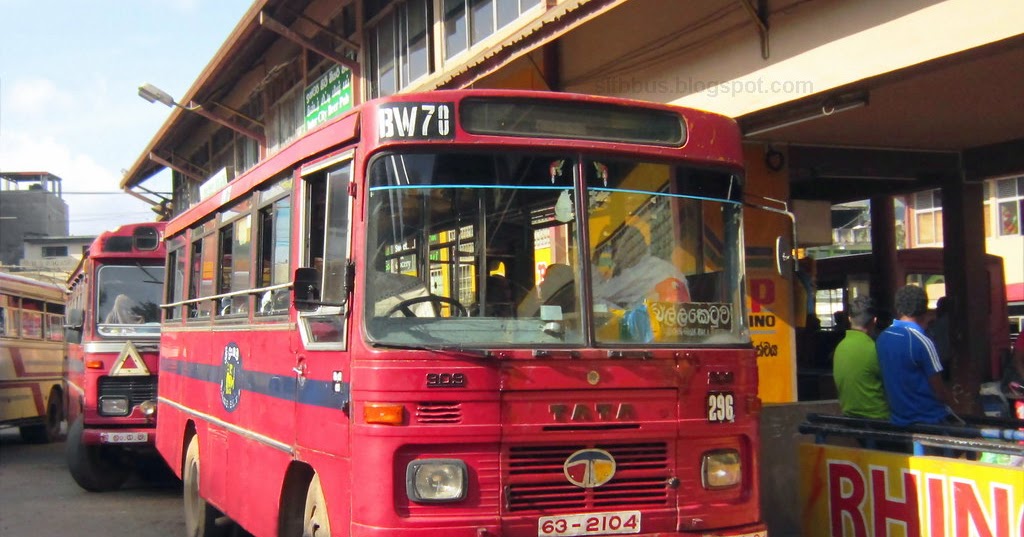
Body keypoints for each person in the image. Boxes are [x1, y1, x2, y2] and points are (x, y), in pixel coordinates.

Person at [876, 285, 956, 426]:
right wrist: (953, 402)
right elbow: (939, 389)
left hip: (898, 419)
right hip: (929, 420)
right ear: (924, 309)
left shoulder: (882, 338)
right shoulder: (922, 342)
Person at [592, 225, 689, 309]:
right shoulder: (666, 267)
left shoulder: (638, 272)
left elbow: (596, 294)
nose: (616, 257)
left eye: (617, 250)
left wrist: (593, 261)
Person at [833, 296, 890, 420]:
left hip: (850, 416)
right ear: (874, 321)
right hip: (879, 419)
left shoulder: (840, 348)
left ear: (849, 319)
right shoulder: (875, 349)